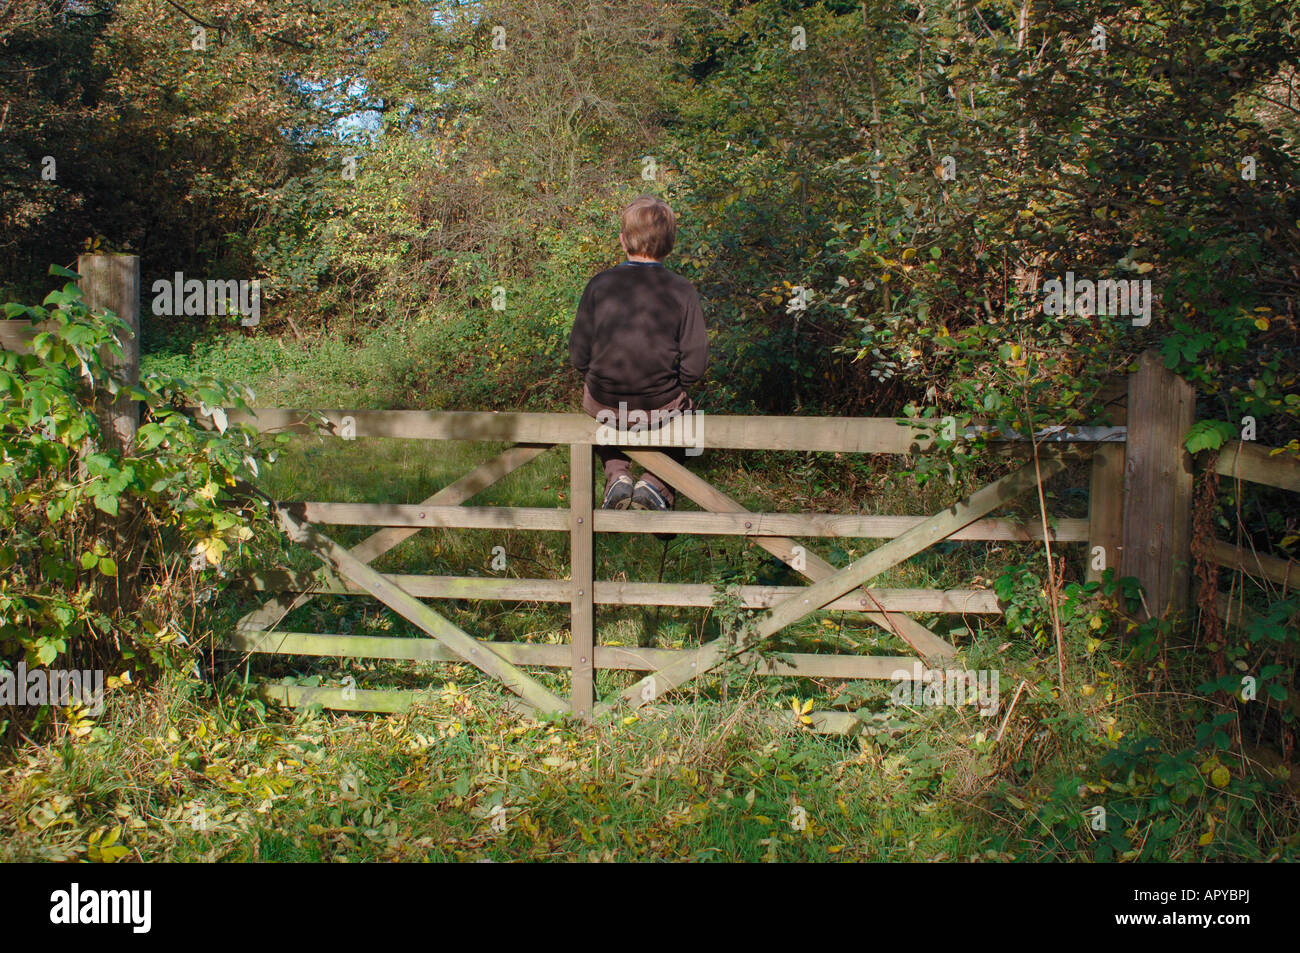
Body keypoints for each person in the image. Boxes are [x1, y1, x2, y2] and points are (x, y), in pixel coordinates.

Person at [568, 195, 707, 511]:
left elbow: (578, 356)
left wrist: (602, 378)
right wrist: (670, 385)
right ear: (670, 244)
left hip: (603, 404)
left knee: (599, 406)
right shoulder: (682, 290)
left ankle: (617, 474)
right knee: (693, 422)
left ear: (622, 241)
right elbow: (695, 366)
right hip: (659, 406)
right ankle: (656, 483)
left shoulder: (599, 285)